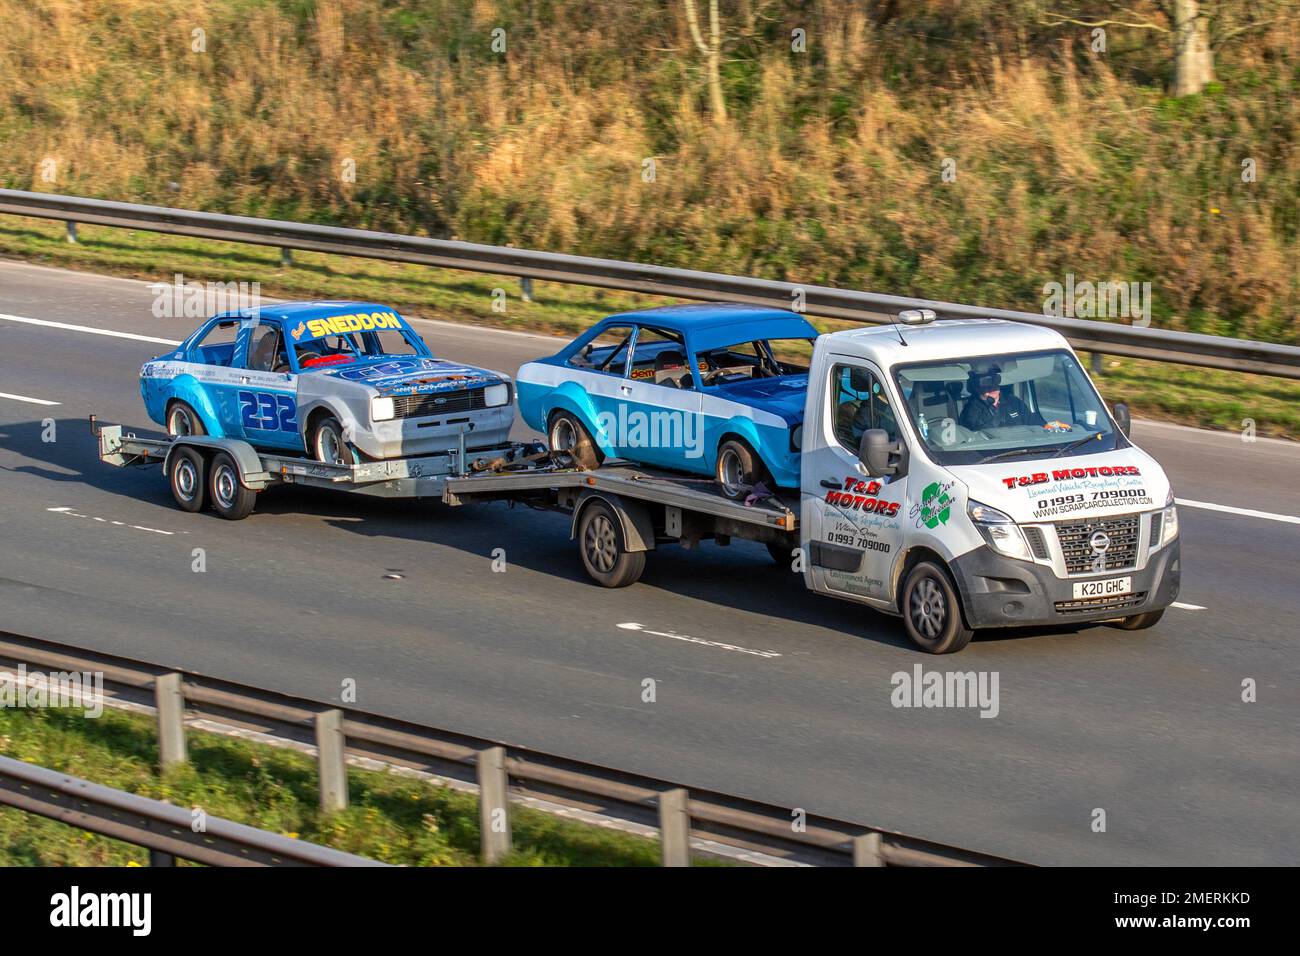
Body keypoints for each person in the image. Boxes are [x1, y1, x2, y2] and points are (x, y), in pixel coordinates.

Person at [959, 367, 1042, 432]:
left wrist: (1048, 428)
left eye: (995, 379)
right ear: (975, 386)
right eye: (986, 382)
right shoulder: (970, 412)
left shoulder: (1013, 402)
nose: (993, 386)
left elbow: (1035, 423)